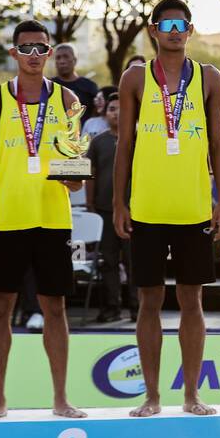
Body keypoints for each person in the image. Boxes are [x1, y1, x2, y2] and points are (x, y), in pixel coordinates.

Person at [113, 0, 220, 417]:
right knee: (148, 302)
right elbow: (123, 146)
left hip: (194, 209)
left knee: (191, 302)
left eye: (182, 23)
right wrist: (118, 202)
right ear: (153, 30)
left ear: (191, 30)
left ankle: (192, 395)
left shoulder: (209, 78)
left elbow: (218, 144)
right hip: (145, 209)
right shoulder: (135, 79)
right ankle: (151, 395)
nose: (175, 30)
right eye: (167, 24)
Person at [0, 21, 87, 419]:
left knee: (54, 308)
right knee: (0, 306)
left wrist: (71, 171)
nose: (34, 55)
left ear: (50, 52)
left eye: (41, 48)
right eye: (26, 48)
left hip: (53, 218)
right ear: (14, 53)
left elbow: (76, 180)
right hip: (9, 217)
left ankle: (60, 399)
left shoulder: (69, 99)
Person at [85, 92, 132, 323]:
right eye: (112, 109)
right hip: (104, 211)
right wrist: (90, 204)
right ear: (105, 114)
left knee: (135, 262)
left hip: (135, 211)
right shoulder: (98, 142)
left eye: (121, 108)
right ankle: (112, 307)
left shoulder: (138, 139)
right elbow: (90, 175)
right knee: (108, 262)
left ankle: (137, 307)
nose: (117, 113)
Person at [51, 42, 100, 114]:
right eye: (58, 58)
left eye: (66, 56)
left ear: (75, 60)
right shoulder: (48, 86)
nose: (62, 61)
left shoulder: (90, 86)